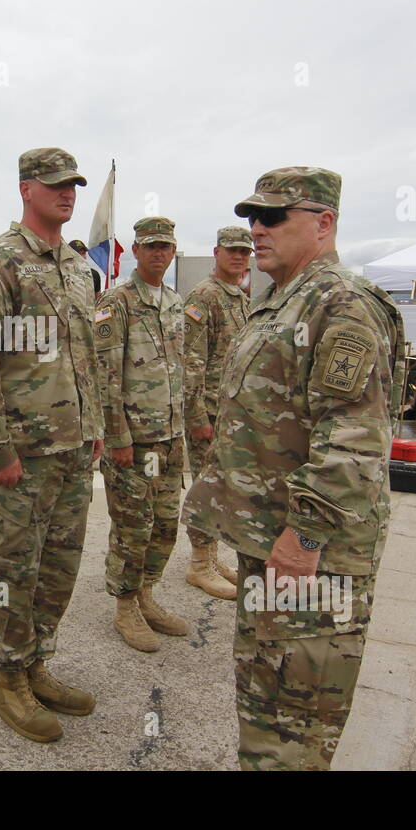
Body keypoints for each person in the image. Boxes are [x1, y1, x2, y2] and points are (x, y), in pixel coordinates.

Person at [182, 167, 404, 770]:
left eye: (274, 217)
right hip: (271, 540)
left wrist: (305, 536)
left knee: (295, 716)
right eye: (253, 217)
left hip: (312, 551)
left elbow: (353, 441)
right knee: (263, 696)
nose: (256, 228)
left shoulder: (343, 304)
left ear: (323, 223)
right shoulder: (282, 301)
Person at [0, 147, 104, 743]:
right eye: (55, 185)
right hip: (20, 455)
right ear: (26, 189)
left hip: (72, 449)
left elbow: (84, 356)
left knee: (59, 567)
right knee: (13, 570)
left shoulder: (75, 265)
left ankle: (37, 662)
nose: (67, 194)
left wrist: (94, 429)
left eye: (73, 185)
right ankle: (8, 679)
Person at [96, 217, 189, 651]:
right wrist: (117, 440)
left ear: (173, 252)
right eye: (150, 246)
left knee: (166, 524)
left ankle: (147, 594)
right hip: (135, 440)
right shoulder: (116, 301)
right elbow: (105, 375)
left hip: (171, 437)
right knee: (133, 527)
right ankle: (125, 606)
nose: (158, 253)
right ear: (135, 251)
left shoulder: (174, 302)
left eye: (165, 247)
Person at [180, 224, 253, 599]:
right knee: (206, 489)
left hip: (230, 414)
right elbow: (191, 361)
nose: (239, 257)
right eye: (232, 251)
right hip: (209, 413)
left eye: (245, 251)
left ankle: (212, 555)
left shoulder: (239, 296)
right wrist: (196, 416)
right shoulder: (204, 296)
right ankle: (199, 564)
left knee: (223, 489)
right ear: (216, 252)